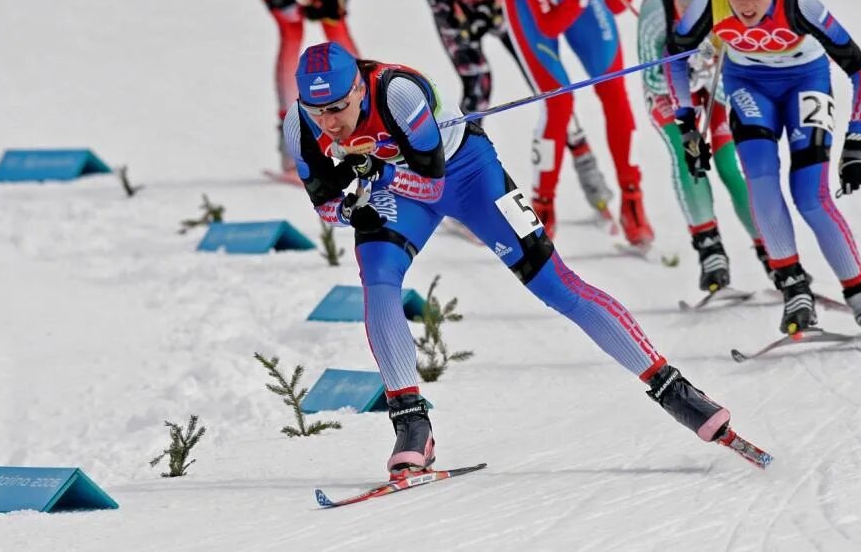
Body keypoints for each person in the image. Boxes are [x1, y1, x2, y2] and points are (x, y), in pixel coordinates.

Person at [284, 41, 757, 478]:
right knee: (378, 279)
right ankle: (412, 425)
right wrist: (352, 208)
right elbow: (325, 205)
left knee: (555, 285)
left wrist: (377, 171)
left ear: (357, 90)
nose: (328, 122)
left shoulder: (397, 92)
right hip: (397, 193)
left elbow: (432, 181)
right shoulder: (298, 124)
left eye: (338, 109)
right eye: (316, 111)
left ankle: (674, 391)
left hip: (467, 174)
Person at [665, 0, 861, 343]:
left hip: (804, 82)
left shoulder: (798, 0)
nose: (745, 4)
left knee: (810, 195)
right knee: (760, 175)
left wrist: (857, 143)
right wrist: (686, 122)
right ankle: (793, 288)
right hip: (747, 84)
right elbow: (675, 56)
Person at [421, 0, 615, 221]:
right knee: (478, 83)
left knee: (547, 84)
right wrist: (466, 24)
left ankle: (588, 168)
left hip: (507, 10)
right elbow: (448, 24)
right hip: (462, 18)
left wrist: (495, 9)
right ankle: (462, 179)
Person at [505, 0, 651, 243]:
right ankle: (543, 206)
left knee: (614, 91)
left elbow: (621, 5)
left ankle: (632, 200)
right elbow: (549, 23)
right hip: (530, 0)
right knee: (559, 101)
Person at [637, 0, 769, 292]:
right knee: (687, 154)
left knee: (729, 166)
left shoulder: (736, 12)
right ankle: (710, 251)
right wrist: (687, 73)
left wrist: (708, 76)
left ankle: (772, 252)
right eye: (684, 1)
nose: (689, 10)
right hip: (668, 95)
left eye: (699, 4)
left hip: (715, 91)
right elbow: (651, 77)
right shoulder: (657, 9)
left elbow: (744, 80)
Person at [245, 0, 364, 180]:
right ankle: (291, 139)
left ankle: (364, 107)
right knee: (291, 31)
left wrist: (328, 4)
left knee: (336, 25)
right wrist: (299, 6)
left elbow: (336, 2)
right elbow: (285, 6)